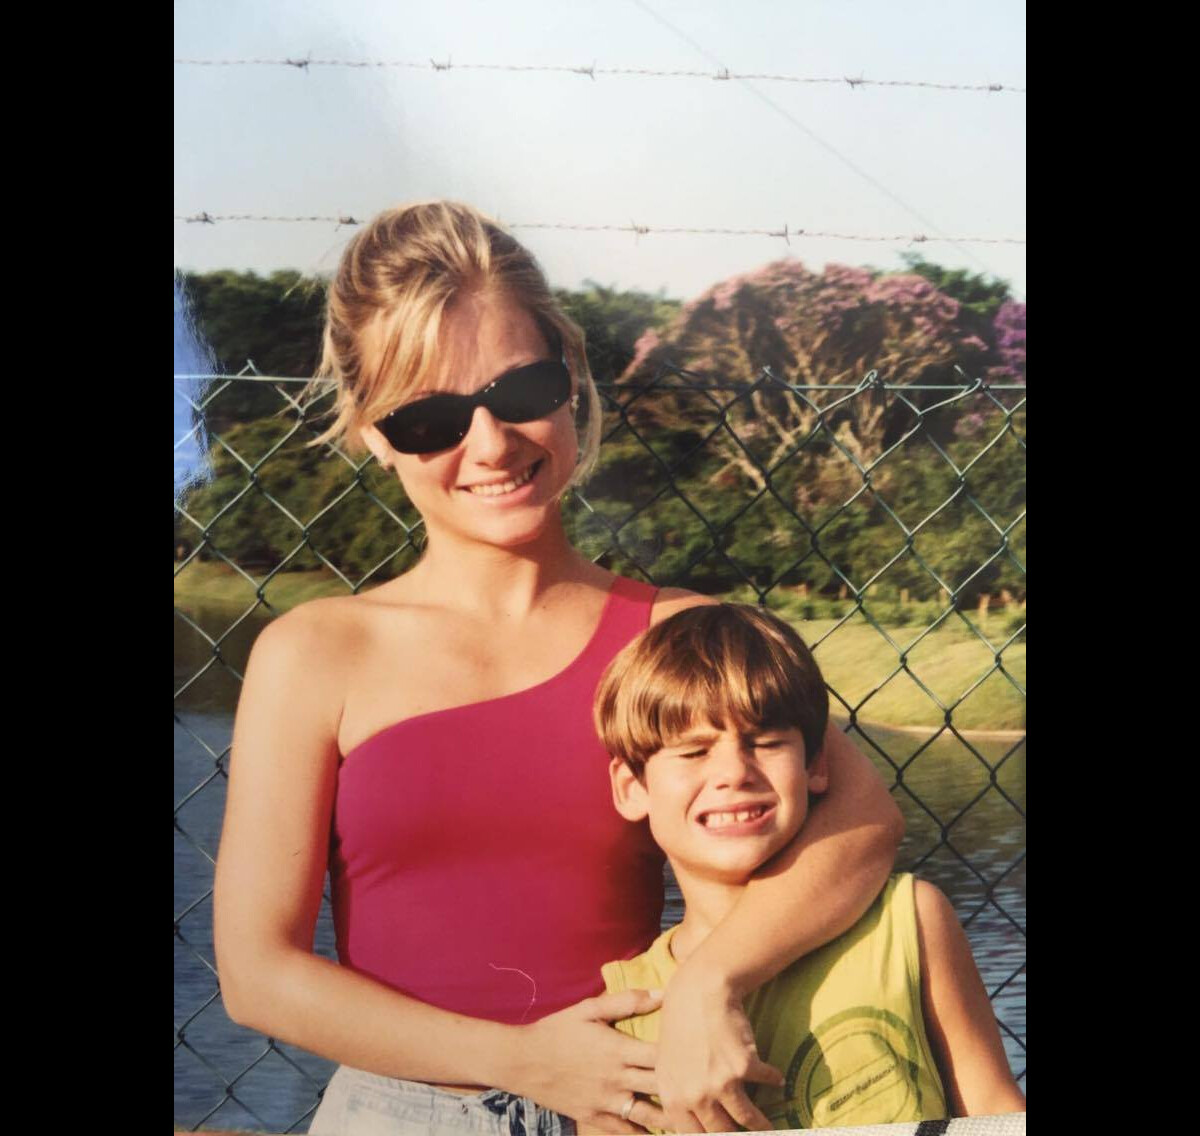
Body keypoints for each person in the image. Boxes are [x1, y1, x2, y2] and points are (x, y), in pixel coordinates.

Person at [212, 200, 906, 1136]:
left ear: (572, 379)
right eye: (431, 417)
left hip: (641, 1100)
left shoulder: (675, 636)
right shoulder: (316, 653)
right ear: (375, 432)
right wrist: (522, 1061)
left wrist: (712, 980)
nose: (492, 444)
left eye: (523, 388)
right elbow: (258, 974)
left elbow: (863, 819)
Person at [593, 603, 1027, 1132]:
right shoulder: (624, 1006)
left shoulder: (907, 922)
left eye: (767, 742)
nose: (734, 772)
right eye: (693, 752)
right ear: (631, 788)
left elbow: (997, 1113)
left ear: (816, 765)